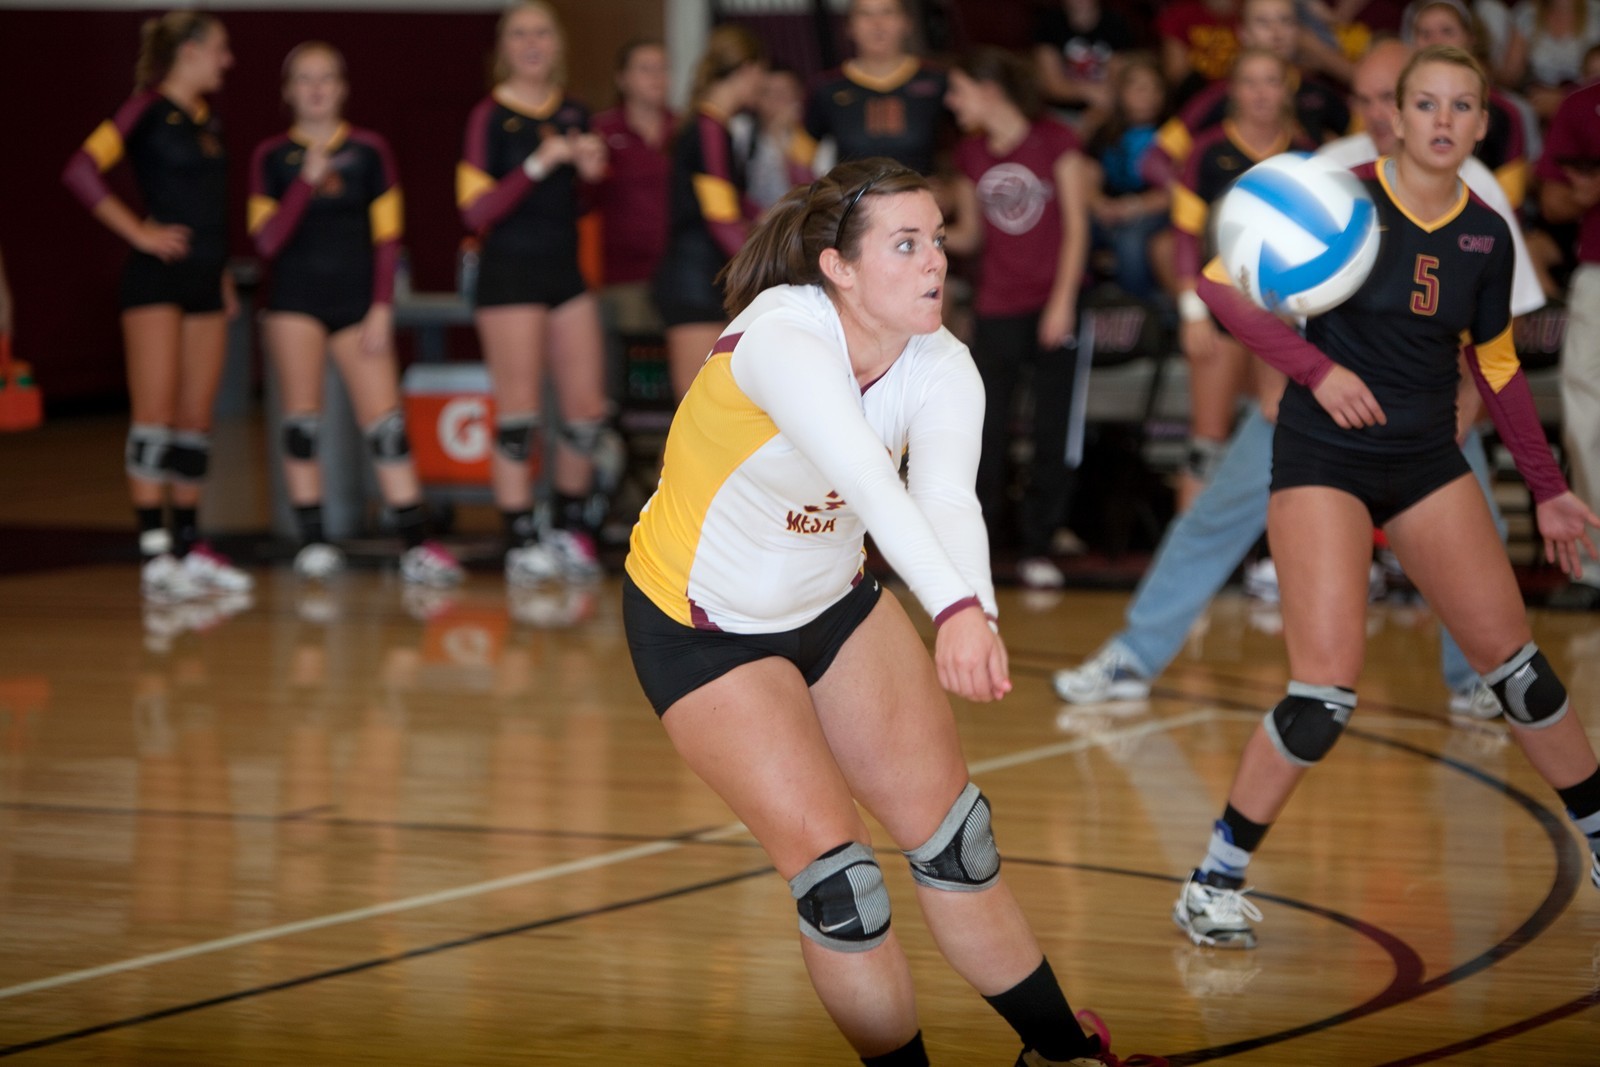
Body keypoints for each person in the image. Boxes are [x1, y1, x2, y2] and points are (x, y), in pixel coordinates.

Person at [623, 157, 1156, 1067]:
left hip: (833, 604)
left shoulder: (941, 361)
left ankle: (1062, 1054)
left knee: (958, 843)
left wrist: (971, 612)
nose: (934, 264)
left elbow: (947, 499)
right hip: (702, 627)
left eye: (939, 241)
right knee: (844, 888)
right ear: (838, 267)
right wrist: (949, 606)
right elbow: (872, 480)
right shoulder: (783, 338)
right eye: (905, 245)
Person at [1173, 45, 1600, 950]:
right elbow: (1223, 291)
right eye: (1425, 104)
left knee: (1519, 672)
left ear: (1484, 125)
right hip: (1324, 457)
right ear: (1395, 117)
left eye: (1462, 107)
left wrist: (1551, 491)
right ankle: (1215, 876)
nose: (1443, 121)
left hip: (1422, 461)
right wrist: (1317, 370)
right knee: (1322, 696)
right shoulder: (1341, 193)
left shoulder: (1488, 232)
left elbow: (1496, 367)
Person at [1053, 37, 1546, 719]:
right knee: (1213, 518)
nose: (1381, 113)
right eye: (1371, 99)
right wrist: (1285, 378)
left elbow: (1499, 334)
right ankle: (1133, 654)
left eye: (1393, 98)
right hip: (1317, 406)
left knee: (1479, 531)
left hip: (1430, 410)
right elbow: (1265, 290)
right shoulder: (1327, 174)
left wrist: (1467, 407)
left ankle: (1477, 681)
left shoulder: (1478, 190)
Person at [249, 42, 463, 588]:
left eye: (326, 78)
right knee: (301, 423)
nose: (316, 88)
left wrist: (382, 307)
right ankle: (313, 540)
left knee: (386, 428)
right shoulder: (272, 157)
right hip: (293, 303)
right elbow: (267, 241)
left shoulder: (369, 151)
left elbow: (389, 238)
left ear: (342, 87)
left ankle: (416, 544)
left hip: (357, 306)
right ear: (288, 92)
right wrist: (304, 181)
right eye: (304, 79)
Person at [61, 10, 253, 602]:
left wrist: (220, 276)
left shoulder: (209, 122)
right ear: (190, 50)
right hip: (155, 283)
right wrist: (139, 232)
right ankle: (153, 556)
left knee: (196, 421)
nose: (228, 60)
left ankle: (189, 547)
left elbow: (210, 209)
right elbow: (80, 169)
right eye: (220, 48)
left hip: (203, 283)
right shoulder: (143, 108)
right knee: (156, 418)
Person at [457, 1, 612, 586]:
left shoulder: (574, 111)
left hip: (564, 274)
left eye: (541, 32)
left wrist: (594, 175)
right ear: (503, 48)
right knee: (519, 414)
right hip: (509, 276)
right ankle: (519, 535)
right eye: (518, 33)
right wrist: (539, 163)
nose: (531, 43)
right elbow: (476, 209)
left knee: (585, 411)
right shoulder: (488, 116)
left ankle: (570, 527)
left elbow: (587, 204)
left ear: (557, 44)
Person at [943, 48, 1090, 590]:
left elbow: (1077, 227)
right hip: (995, 306)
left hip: (1052, 304)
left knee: (1052, 431)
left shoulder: (1057, 142)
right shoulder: (969, 153)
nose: (952, 102)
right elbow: (970, 236)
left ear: (989, 88)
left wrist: (1062, 300)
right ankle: (976, 547)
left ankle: (1039, 543)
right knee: (984, 430)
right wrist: (915, 228)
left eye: (958, 90)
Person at [1172, 48, 1314, 512]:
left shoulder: (1306, 153)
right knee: (1206, 441)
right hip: (1218, 312)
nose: (1259, 92)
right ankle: (1187, 563)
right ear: (1232, 90)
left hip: (1283, 315)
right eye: (1249, 81)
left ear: (1286, 87)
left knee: (1279, 430)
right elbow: (1184, 236)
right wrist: (1192, 312)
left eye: (1270, 80)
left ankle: (1267, 559)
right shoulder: (1208, 151)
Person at [653, 24, 766, 400]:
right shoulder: (710, 128)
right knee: (696, 408)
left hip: (702, 275)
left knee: (710, 407)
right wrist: (767, 264)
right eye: (760, 74)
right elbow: (722, 219)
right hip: (692, 278)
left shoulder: (712, 126)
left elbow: (729, 202)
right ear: (748, 70)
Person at [1538, 75, 1600, 609]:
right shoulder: (1583, 106)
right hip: (1597, 272)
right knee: (1586, 420)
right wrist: (1584, 192)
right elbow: (1554, 201)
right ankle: (1595, 568)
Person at [590, 39, 674, 404]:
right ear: (623, 78)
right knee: (629, 382)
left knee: (682, 379)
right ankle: (625, 455)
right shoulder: (603, 132)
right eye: (645, 68)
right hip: (623, 276)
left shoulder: (684, 128)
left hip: (680, 276)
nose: (655, 77)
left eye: (662, 68)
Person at [804, 0, 950, 176]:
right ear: (849, 27)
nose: (877, 23)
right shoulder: (826, 88)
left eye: (887, 12)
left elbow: (972, 145)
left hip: (923, 199)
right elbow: (799, 159)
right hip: (853, 201)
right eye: (865, 14)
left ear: (907, 23)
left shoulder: (938, 80)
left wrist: (953, 188)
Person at [1082, 53, 1174, 302]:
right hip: (1109, 208)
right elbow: (1087, 177)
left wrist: (1131, 208)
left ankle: (1139, 309)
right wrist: (1098, 203)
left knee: (1130, 240)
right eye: (1139, 87)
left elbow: (1175, 190)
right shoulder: (1105, 130)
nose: (1148, 95)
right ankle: (1086, 302)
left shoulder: (1172, 132)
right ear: (1121, 92)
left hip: (1153, 209)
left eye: (1155, 88)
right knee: (1079, 227)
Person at [1031, 0, 1139, 127]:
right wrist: (1087, 92)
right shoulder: (1048, 24)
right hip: (1060, 112)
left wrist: (1097, 112)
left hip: (1108, 108)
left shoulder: (1115, 22)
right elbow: (1052, 86)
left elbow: (1118, 79)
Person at [746, 66, 818, 212]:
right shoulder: (743, 134)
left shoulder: (815, 137)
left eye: (784, 92)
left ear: (799, 96)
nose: (777, 99)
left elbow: (811, 191)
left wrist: (780, 138)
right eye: (768, 93)